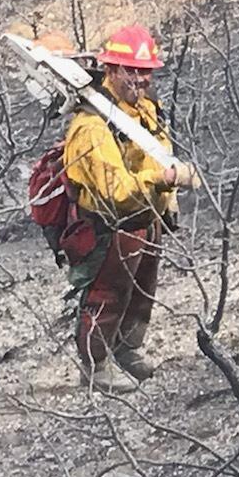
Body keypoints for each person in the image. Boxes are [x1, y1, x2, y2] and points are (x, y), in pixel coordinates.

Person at [60, 24, 200, 384]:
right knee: (107, 293)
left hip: (145, 218)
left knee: (142, 290)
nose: (139, 79)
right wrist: (162, 181)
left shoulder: (146, 111)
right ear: (111, 69)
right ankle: (96, 364)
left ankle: (127, 348)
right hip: (110, 225)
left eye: (145, 72)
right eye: (130, 70)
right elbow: (115, 191)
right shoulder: (92, 125)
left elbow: (158, 154)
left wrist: (168, 201)